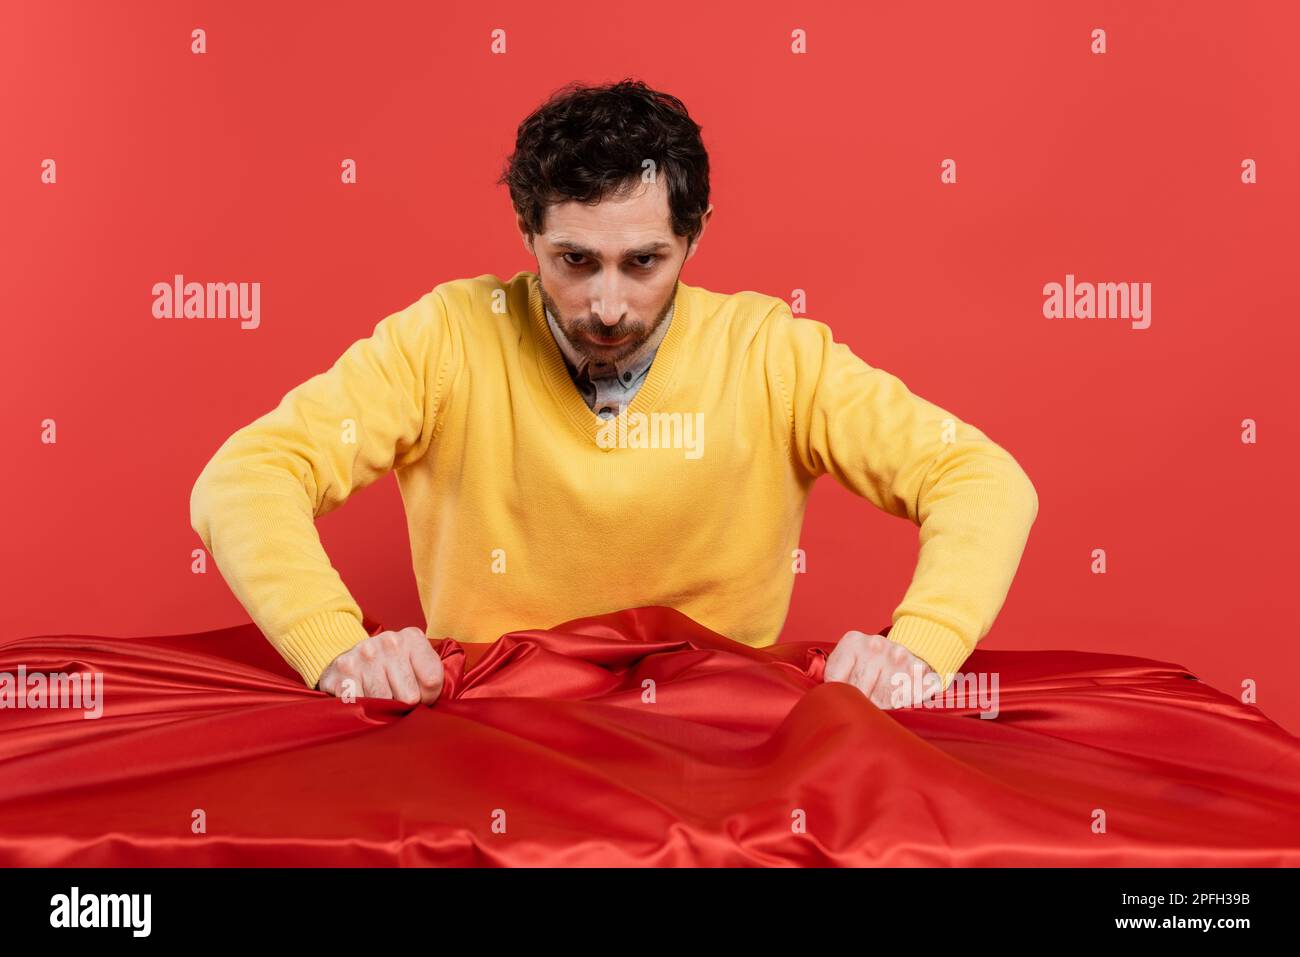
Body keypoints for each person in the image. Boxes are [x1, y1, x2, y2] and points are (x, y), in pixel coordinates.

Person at [189, 78, 1038, 712]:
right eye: (574, 260)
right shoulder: (448, 336)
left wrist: (920, 649)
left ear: (694, 235)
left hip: (718, 749)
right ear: (528, 235)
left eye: (643, 261)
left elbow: (981, 479)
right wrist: (338, 649)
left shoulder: (771, 351)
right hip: (490, 744)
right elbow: (245, 478)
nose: (607, 304)